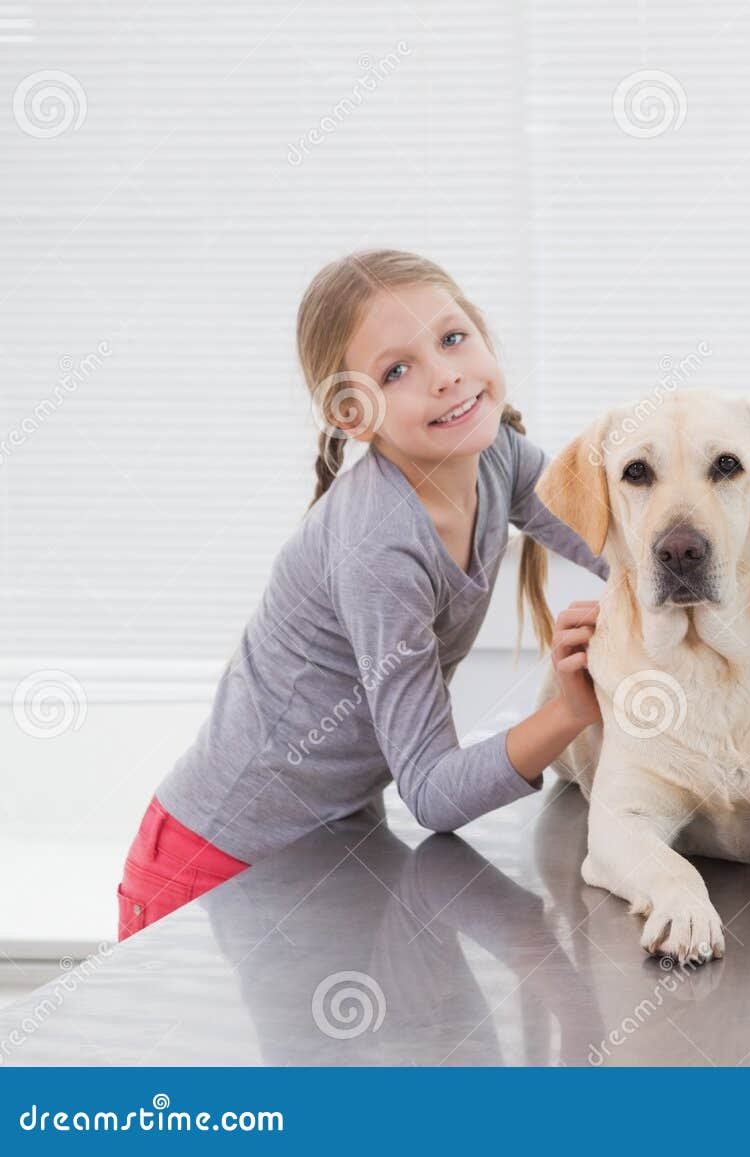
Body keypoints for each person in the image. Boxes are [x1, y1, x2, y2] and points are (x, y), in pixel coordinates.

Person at [117, 250, 604, 941]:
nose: (445, 375)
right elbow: (432, 790)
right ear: (353, 415)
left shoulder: (501, 458)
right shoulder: (378, 544)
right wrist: (567, 712)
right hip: (215, 866)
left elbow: (625, 553)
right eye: (397, 371)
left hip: (332, 834)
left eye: (453, 336)